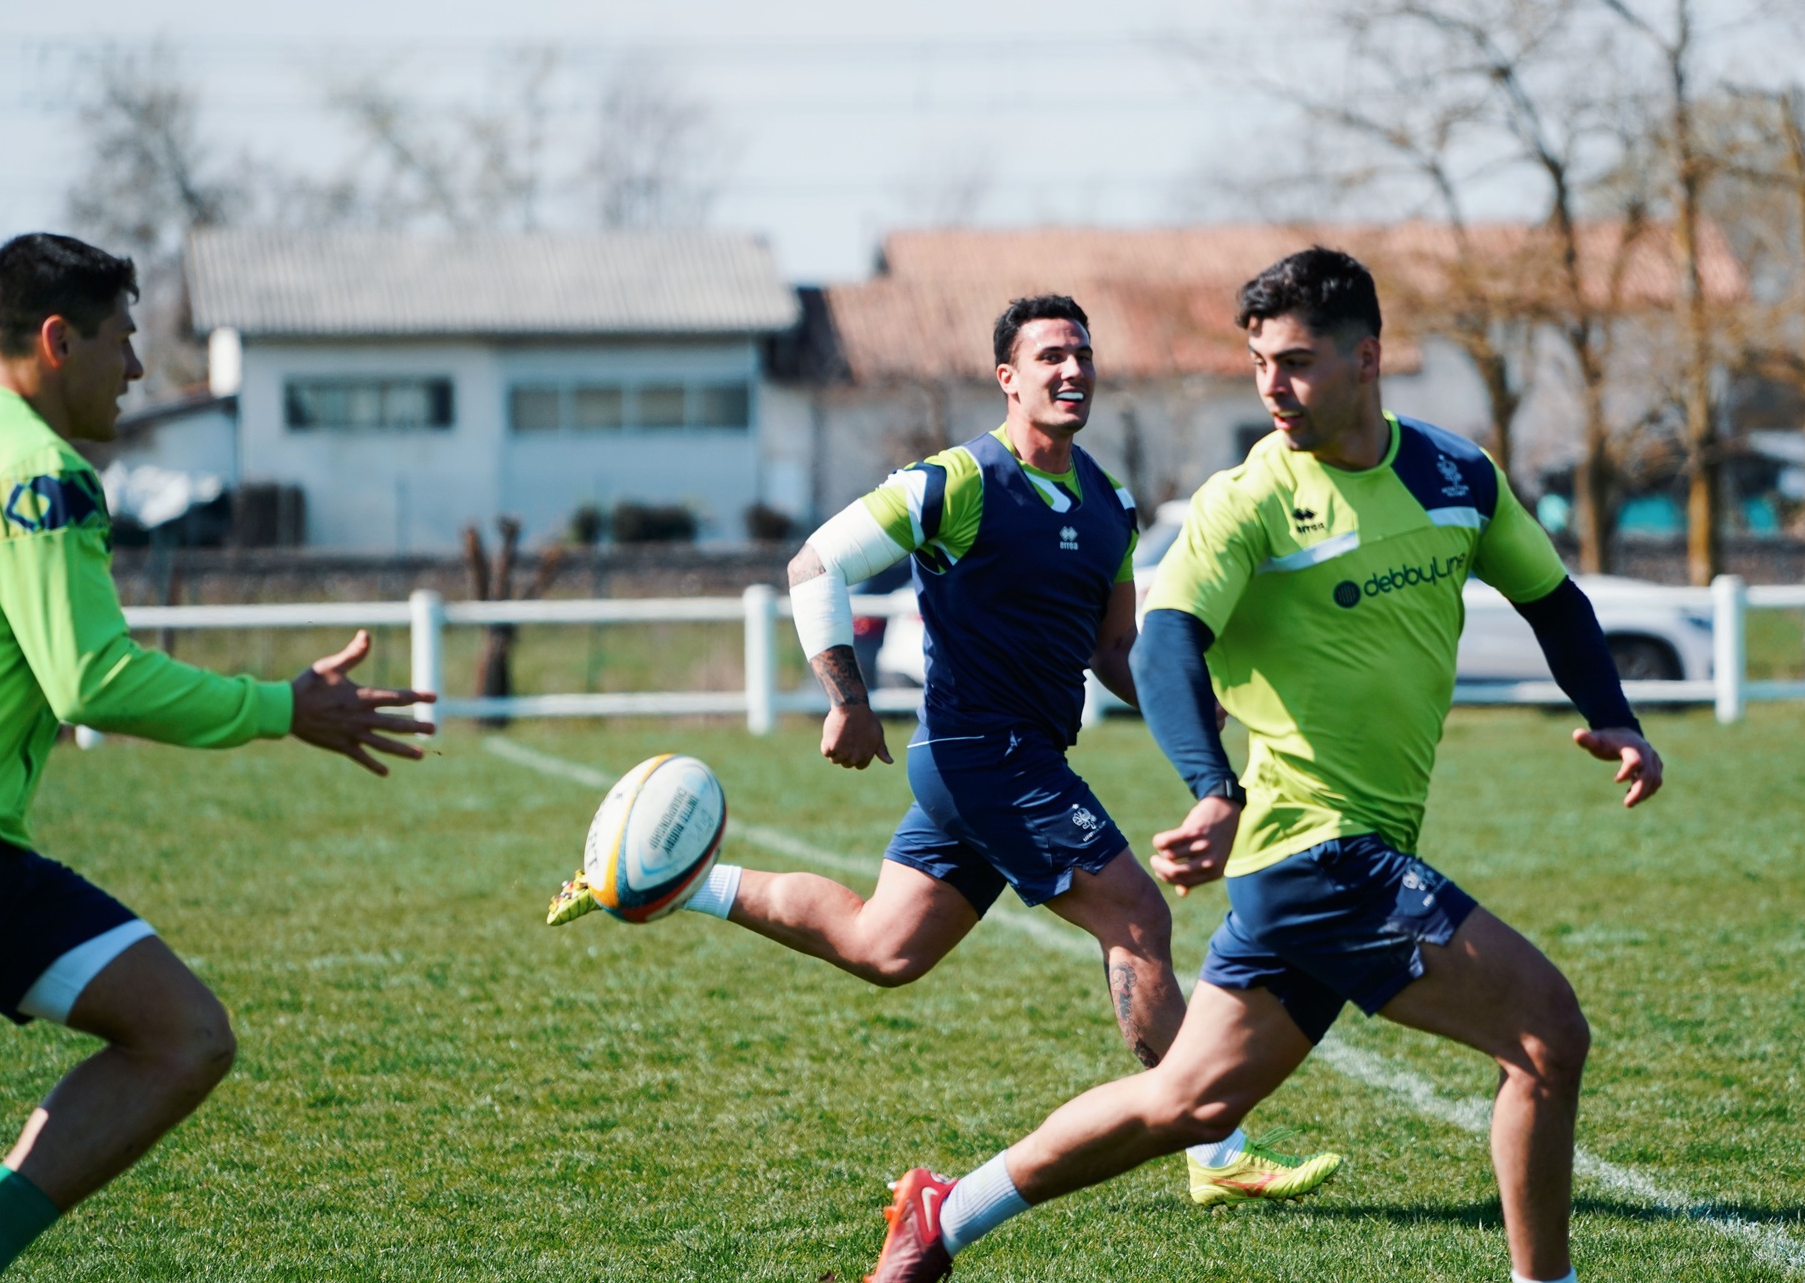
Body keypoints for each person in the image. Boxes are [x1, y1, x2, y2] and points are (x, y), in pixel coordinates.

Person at [857, 248, 1664, 1283]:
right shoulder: (1247, 501)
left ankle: (945, 1214)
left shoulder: (1455, 476)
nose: (1271, 388)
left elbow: (1552, 598)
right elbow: (1161, 648)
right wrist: (1211, 787)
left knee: (1189, 1103)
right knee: (1547, 1034)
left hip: (1339, 856)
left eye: (1294, 363)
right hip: (1317, 852)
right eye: (1257, 366)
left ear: (1367, 358)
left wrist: (1612, 709)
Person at [550, 293, 1342, 1205]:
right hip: (984, 752)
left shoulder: (1111, 504)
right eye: (1049, 357)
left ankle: (676, 881)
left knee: (885, 948)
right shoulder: (956, 481)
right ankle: (1215, 1148)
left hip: (1002, 761)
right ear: (1008, 378)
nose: (1071, 370)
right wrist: (847, 698)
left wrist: (1207, 712)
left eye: (1082, 355)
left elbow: (1117, 651)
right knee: (1136, 917)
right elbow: (816, 564)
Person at [0, 233, 436, 1283]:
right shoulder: (38, 472)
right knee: (182, 1035)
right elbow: (93, 679)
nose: (136, 372)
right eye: (123, 342)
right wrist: (280, 707)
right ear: (57, 341)